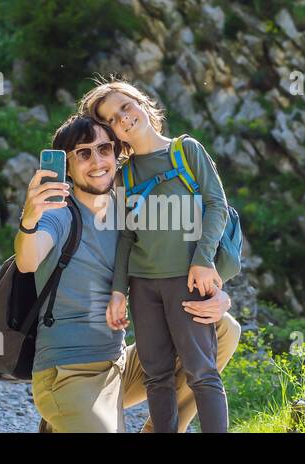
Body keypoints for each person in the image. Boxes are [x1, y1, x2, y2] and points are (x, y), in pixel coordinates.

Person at [14, 113, 240, 433]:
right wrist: (30, 216)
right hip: (68, 372)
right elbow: (27, 260)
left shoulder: (127, 212)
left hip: (119, 368)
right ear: (66, 164)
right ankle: (65, 413)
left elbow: (172, 264)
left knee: (224, 330)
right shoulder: (58, 215)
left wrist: (219, 295)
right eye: (83, 153)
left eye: (104, 149)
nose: (97, 160)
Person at [82, 81, 231, 432]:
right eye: (113, 119)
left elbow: (216, 205)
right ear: (113, 134)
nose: (124, 118)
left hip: (187, 280)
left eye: (125, 107)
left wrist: (203, 259)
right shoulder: (125, 176)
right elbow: (126, 237)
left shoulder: (186, 150)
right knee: (157, 376)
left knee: (201, 371)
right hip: (144, 288)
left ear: (141, 102)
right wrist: (119, 289)